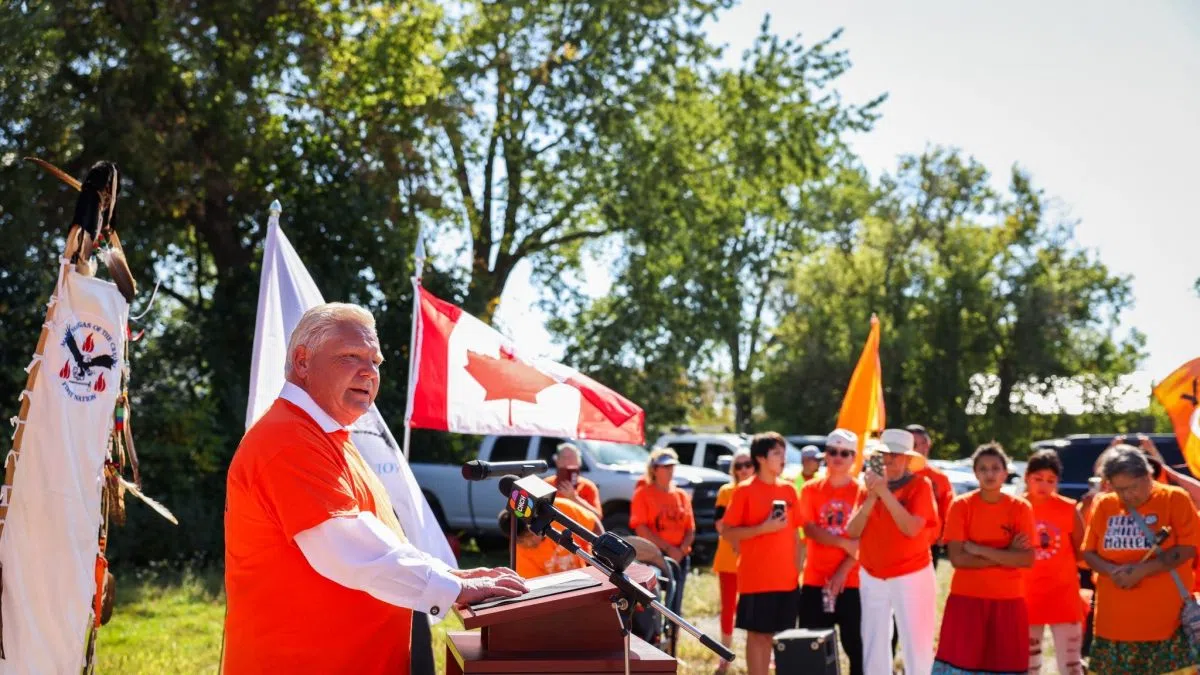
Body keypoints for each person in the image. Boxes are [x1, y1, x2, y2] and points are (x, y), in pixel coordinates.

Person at [223, 303, 526, 674]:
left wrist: (453, 577)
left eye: (376, 361)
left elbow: (379, 543)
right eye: (351, 356)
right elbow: (348, 548)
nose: (369, 372)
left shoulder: (324, 435)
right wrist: (452, 589)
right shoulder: (288, 440)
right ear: (302, 361)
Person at [1081, 445, 1200, 675]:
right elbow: (1088, 552)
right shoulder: (1104, 504)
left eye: (1132, 487)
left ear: (1148, 475)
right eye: (1119, 489)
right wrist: (1111, 570)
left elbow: (1187, 549)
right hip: (1112, 626)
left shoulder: (1174, 499)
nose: (1127, 495)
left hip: (1166, 625)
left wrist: (1142, 570)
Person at [932, 443, 1035, 675]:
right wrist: (1007, 554)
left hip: (1008, 601)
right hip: (966, 600)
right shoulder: (961, 506)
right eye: (983, 468)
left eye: (995, 468)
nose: (990, 474)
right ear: (975, 473)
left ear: (1005, 472)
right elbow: (958, 559)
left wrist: (979, 550)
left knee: (1005, 666)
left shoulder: (1021, 508)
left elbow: (1027, 559)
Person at [846, 428, 939, 675]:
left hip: (912, 573)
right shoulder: (867, 488)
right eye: (884, 455)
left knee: (916, 646)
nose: (889, 460)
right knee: (874, 645)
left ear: (907, 459)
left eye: (895, 455)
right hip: (872, 574)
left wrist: (884, 493)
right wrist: (871, 497)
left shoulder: (921, 485)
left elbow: (911, 528)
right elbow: (852, 531)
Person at [722, 432, 804, 675]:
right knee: (759, 637)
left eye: (783, 453)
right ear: (760, 458)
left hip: (787, 581)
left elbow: (797, 535)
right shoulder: (744, 491)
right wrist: (762, 528)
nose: (783, 458)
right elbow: (727, 532)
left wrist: (797, 570)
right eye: (777, 453)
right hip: (756, 579)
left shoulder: (789, 490)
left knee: (784, 639)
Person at [798, 428, 866, 675]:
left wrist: (842, 572)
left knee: (857, 648)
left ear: (854, 458)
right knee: (811, 649)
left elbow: (864, 539)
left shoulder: (863, 492)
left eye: (844, 453)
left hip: (853, 582)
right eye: (833, 451)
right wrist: (843, 543)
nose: (838, 457)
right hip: (815, 580)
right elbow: (810, 529)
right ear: (825, 454)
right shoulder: (810, 489)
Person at [1022, 449, 1085, 675]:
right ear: (1027, 477)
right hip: (1026, 597)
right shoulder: (1016, 507)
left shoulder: (1068, 508)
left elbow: (1082, 552)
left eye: (1050, 480)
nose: (1044, 485)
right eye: (1038, 479)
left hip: (1064, 597)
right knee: (1027, 666)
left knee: (1071, 665)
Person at [630, 447, 696, 611]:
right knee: (654, 600)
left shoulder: (681, 495)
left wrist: (681, 549)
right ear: (654, 469)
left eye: (672, 466)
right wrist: (668, 548)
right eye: (665, 466)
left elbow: (690, 528)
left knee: (676, 601)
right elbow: (641, 528)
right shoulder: (643, 494)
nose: (670, 470)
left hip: (680, 556)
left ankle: (673, 626)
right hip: (654, 556)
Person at [713, 447, 754, 674]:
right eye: (739, 466)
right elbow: (720, 524)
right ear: (733, 469)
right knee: (728, 608)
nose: (744, 469)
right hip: (729, 559)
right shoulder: (726, 491)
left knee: (755, 608)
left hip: (754, 560)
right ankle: (724, 656)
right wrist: (739, 539)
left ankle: (758, 654)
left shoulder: (759, 490)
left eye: (748, 464)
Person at [498, 497, 603, 579]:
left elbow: (593, 524)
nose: (529, 543)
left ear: (534, 523)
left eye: (530, 535)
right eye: (521, 541)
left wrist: (602, 557)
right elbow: (538, 587)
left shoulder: (558, 511)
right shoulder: (519, 554)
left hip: (587, 577)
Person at [907, 424, 954, 567]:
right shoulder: (895, 475)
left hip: (929, 543)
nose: (911, 449)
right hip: (899, 539)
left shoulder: (939, 478)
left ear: (927, 445)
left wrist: (944, 536)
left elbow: (948, 508)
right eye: (909, 444)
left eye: (915, 444)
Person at [544, 442, 603, 518]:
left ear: (579, 462)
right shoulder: (546, 484)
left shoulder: (588, 486)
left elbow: (598, 516)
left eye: (571, 458)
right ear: (557, 461)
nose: (567, 462)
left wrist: (574, 498)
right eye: (563, 458)